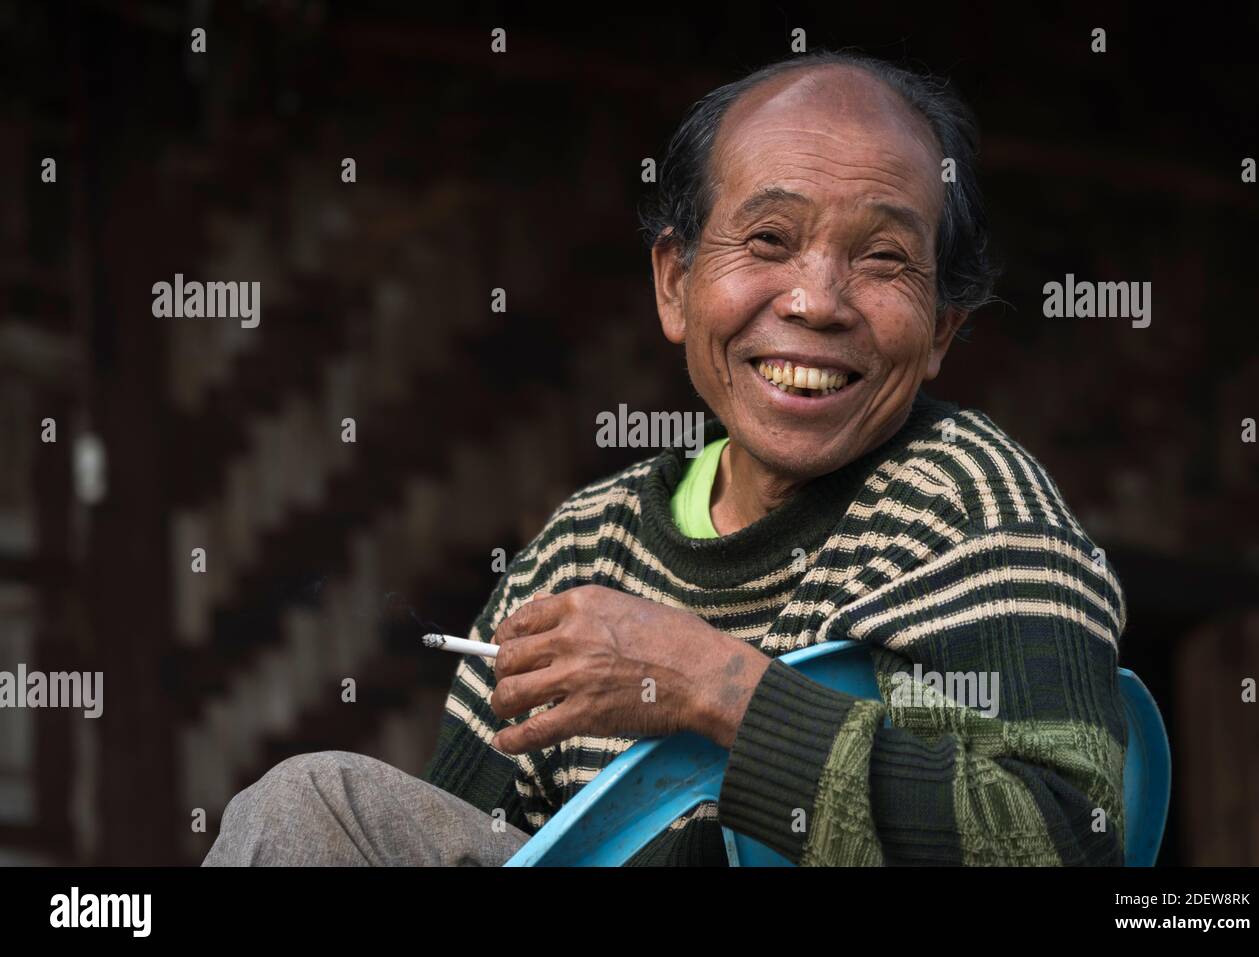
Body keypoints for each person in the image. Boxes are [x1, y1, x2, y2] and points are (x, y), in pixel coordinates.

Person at [204, 50, 1127, 868]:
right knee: (319, 812)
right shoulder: (579, 553)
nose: (817, 300)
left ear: (940, 332)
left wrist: (708, 683)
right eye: (769, 239)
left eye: (883, 258)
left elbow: (1065, 837)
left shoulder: (974, 504)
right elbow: (465, 834)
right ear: (676, 283)